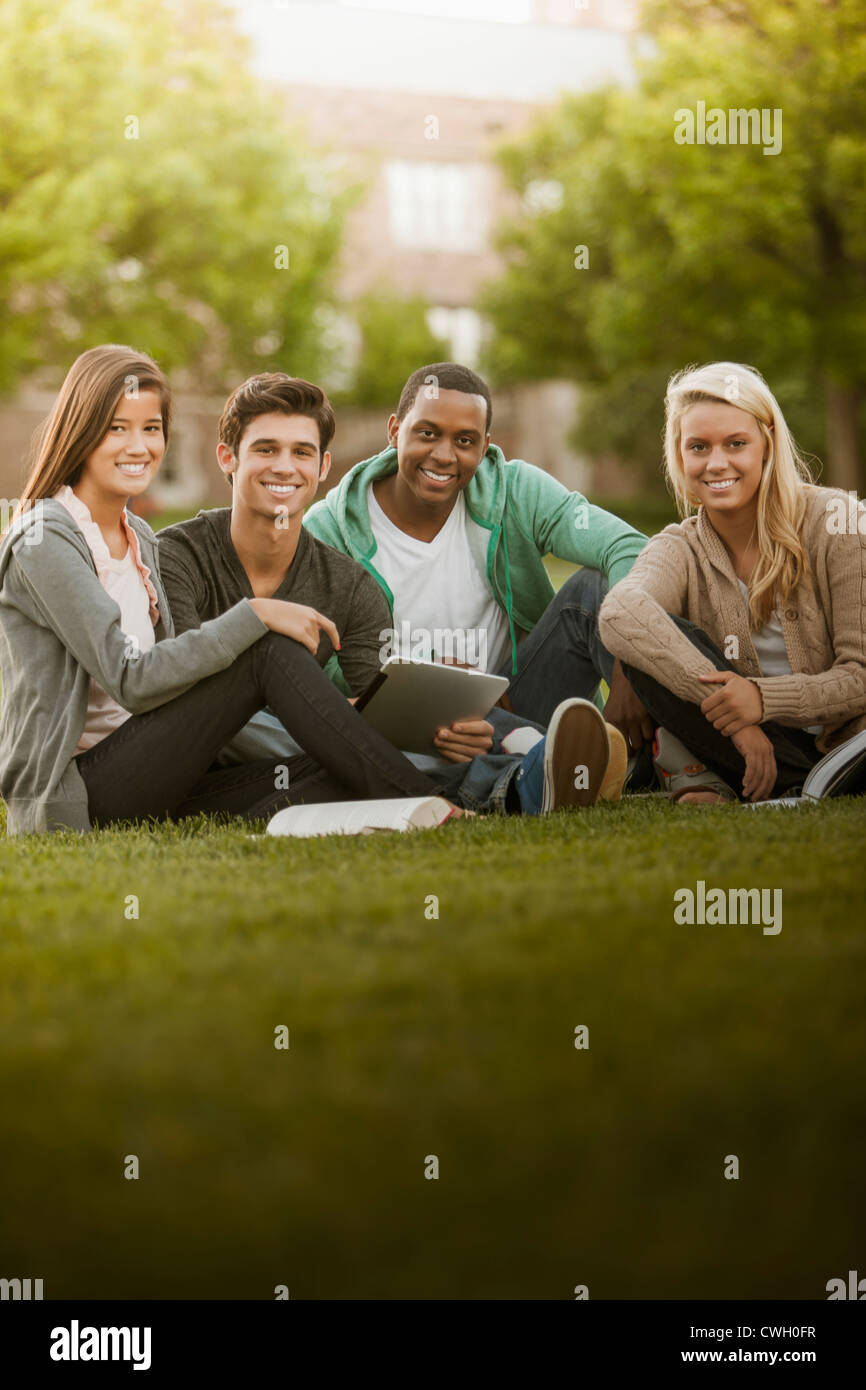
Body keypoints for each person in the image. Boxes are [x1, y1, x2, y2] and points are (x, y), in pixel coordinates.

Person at [0, 346, 471, 836]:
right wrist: (255, 614)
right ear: (82, 430)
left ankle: (389, 806)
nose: (138, 446)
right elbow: (130, 678)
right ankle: (437, 806)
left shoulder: (137, 536)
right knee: (266, 650)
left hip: (160, 767)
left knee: (338, 768)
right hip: (81, 792)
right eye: (117, 427)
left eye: (151, 428)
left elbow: (175, 676)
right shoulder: (45, 538)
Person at [156, 370, 622, 815]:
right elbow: (173, 681)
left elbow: (373, 699)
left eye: (300, 452)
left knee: (373, 744)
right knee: (268, 707)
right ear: (227, 458)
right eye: (266, 449)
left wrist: (435, 716)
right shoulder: (181, 554)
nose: (284, 467)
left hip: (328, 752)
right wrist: (258, 623)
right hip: (219, 743)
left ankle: (535, 773)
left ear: (322, 467)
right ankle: (532, 758)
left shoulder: (343, 579)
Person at [301, 362, 651, 770]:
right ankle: (555, 758)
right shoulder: (328, 529)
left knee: (592, 591)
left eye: (464, 441)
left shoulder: (516, 490)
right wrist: (429, 678)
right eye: (427, 433)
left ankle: (657, 761)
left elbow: (629, 547)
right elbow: (312, 670)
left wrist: (631, 661)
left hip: (523, 701)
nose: (444, 455)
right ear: (395, 430)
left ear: (484, 447)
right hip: (408, 726)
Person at [598, 361, 866, 803]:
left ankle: (694, 772)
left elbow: (860, 675)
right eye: (698, 447)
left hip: (847, 747)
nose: (716, 463)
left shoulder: (838, 521)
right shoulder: (680, 546)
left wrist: (761, 699)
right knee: (653, 635)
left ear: (767, 445)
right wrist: (740, 720)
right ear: (679, 455)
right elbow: (621, 611)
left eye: (736, 443)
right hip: (745, 744)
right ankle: (710, 771)